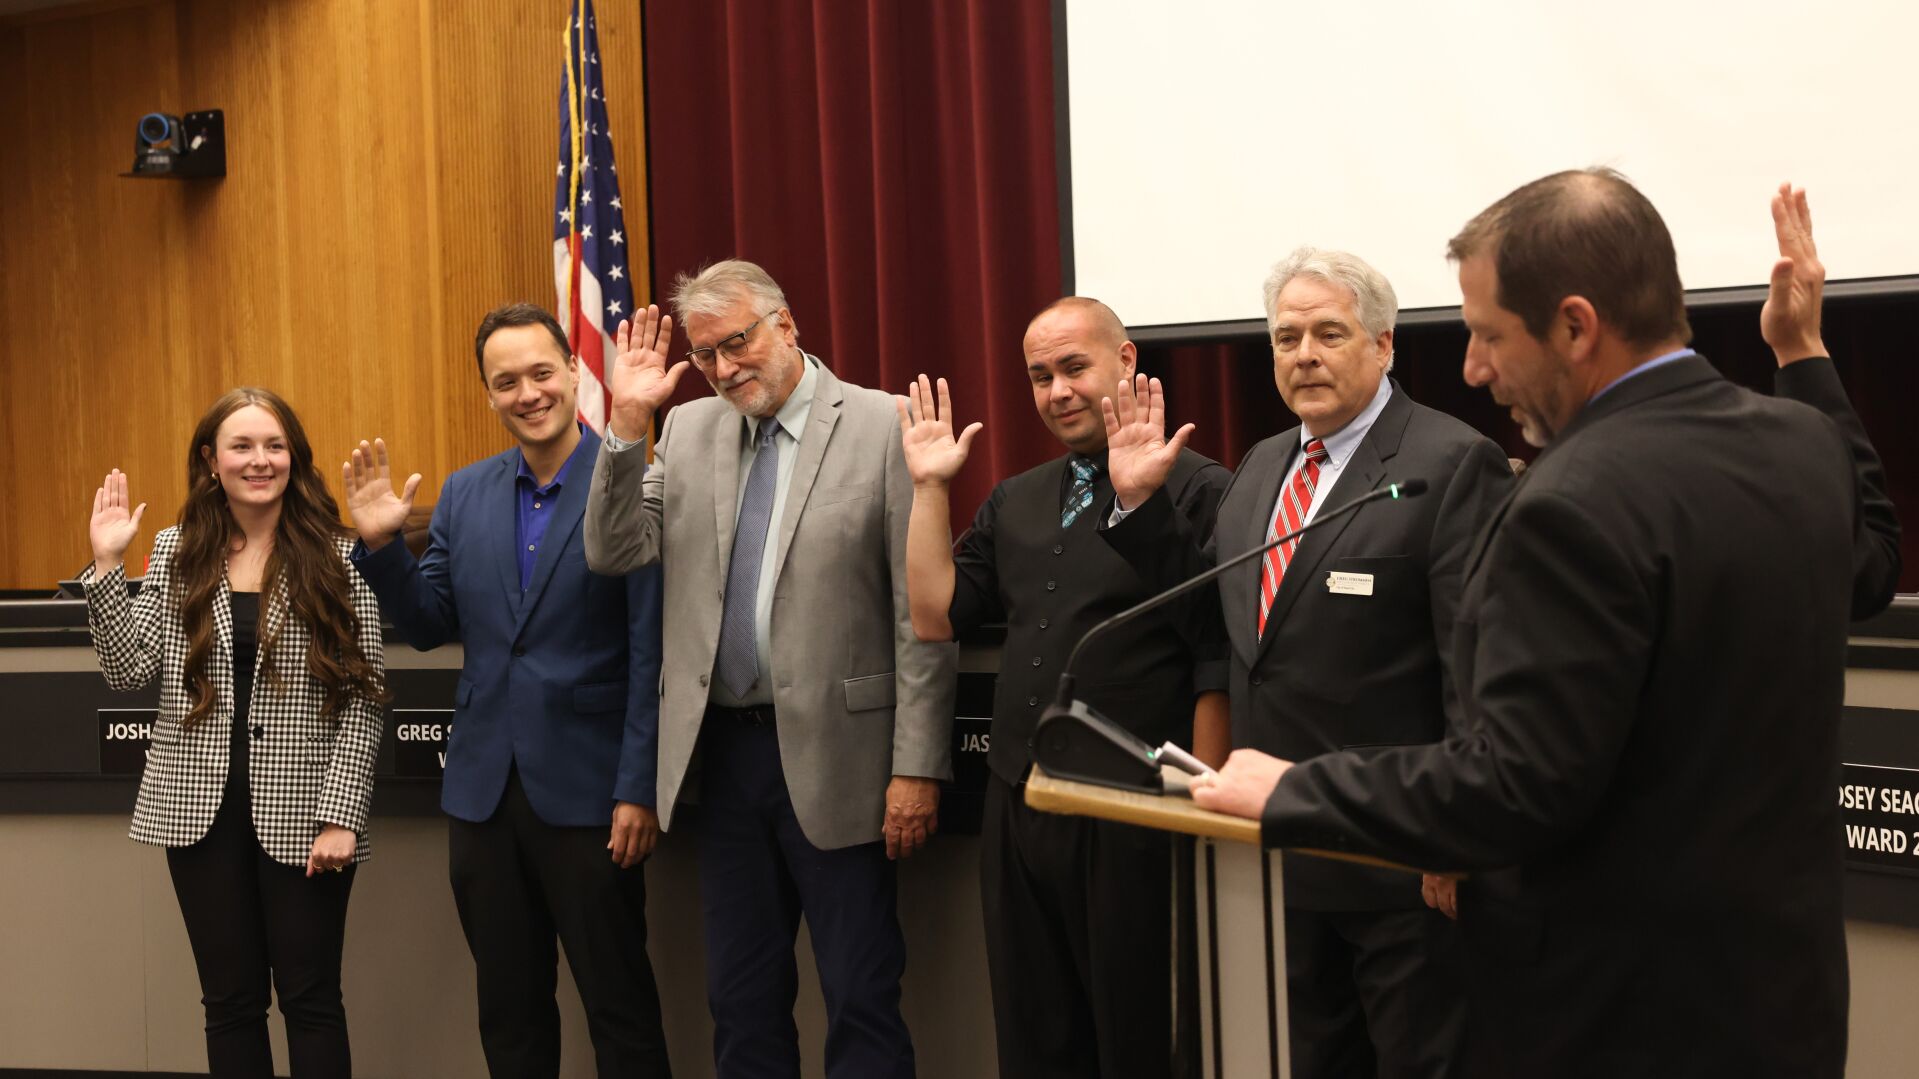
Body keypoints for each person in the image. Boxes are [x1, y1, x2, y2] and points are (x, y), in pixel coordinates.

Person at [1191, 174, 1901, 1078]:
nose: (1473, 368)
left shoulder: (1566, 502)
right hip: (1783, 1000)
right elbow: (1874, 563)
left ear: (1574, 327)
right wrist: (1800, 352)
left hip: (1618, 1015)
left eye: (1489, 335)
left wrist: (1298, 790)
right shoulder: (1801, 442)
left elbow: (1516, 785)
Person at [1099, 249, 1511, 1077]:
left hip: (1398, 855)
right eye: (1286, 338)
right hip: (1284, 850)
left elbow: (1471, 660)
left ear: (1384, 344)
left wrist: (1458, 829)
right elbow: (1220, 624)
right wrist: (1140, 505)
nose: (1304, 356)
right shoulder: (1261, 466)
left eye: (1329, 333)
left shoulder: (1449, 460)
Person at [584, 260, 956, 1079]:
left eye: (737, 343)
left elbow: (919, 613)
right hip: (724, 759)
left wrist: (917, 765)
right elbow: (613, 549)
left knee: (861, 997)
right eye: (705, 354)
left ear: (786, 325)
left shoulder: (881, 423)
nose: (722, 368)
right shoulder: (687, 430)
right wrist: (627, 423)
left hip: (844, 760)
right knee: (740, 1001)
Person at [897, 296, 1231, 1078]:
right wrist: (929, 488)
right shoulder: (1015, 496)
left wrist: (1203, 799)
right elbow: (935, 615)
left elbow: (1216, 645)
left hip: (1134, 805)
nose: (1057, 391)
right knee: (1033, 1027)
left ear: (1125, 361)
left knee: (1138, 1033)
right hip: (1018, 798)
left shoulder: (1199, 486)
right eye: (1040, 376)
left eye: (1074, 367)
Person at [343, 303, 671, 1078]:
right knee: (509, 1013)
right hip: (483, 797)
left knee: (620, 1010)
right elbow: (429, 624)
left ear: (573, 371)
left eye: (540, 372)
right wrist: (383, 544)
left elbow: (649, 649)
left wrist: (639, 786)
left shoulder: (633, 483)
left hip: (593, 796)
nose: (527, 393)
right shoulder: (464, 493)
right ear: (488, 394)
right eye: (506, 381)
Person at [82, 388, 385, 1079]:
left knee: (311, 1000)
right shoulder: (176, 550)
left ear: (293, 457)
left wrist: (341, 814)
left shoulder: (341, 555)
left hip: (307, 815)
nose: (259, 460)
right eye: (241, 446)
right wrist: (106, 567)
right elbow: (128, 671)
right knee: (229, 1004)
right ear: (210, 460)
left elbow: (364, 696)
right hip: (199, 815)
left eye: (274, 445)